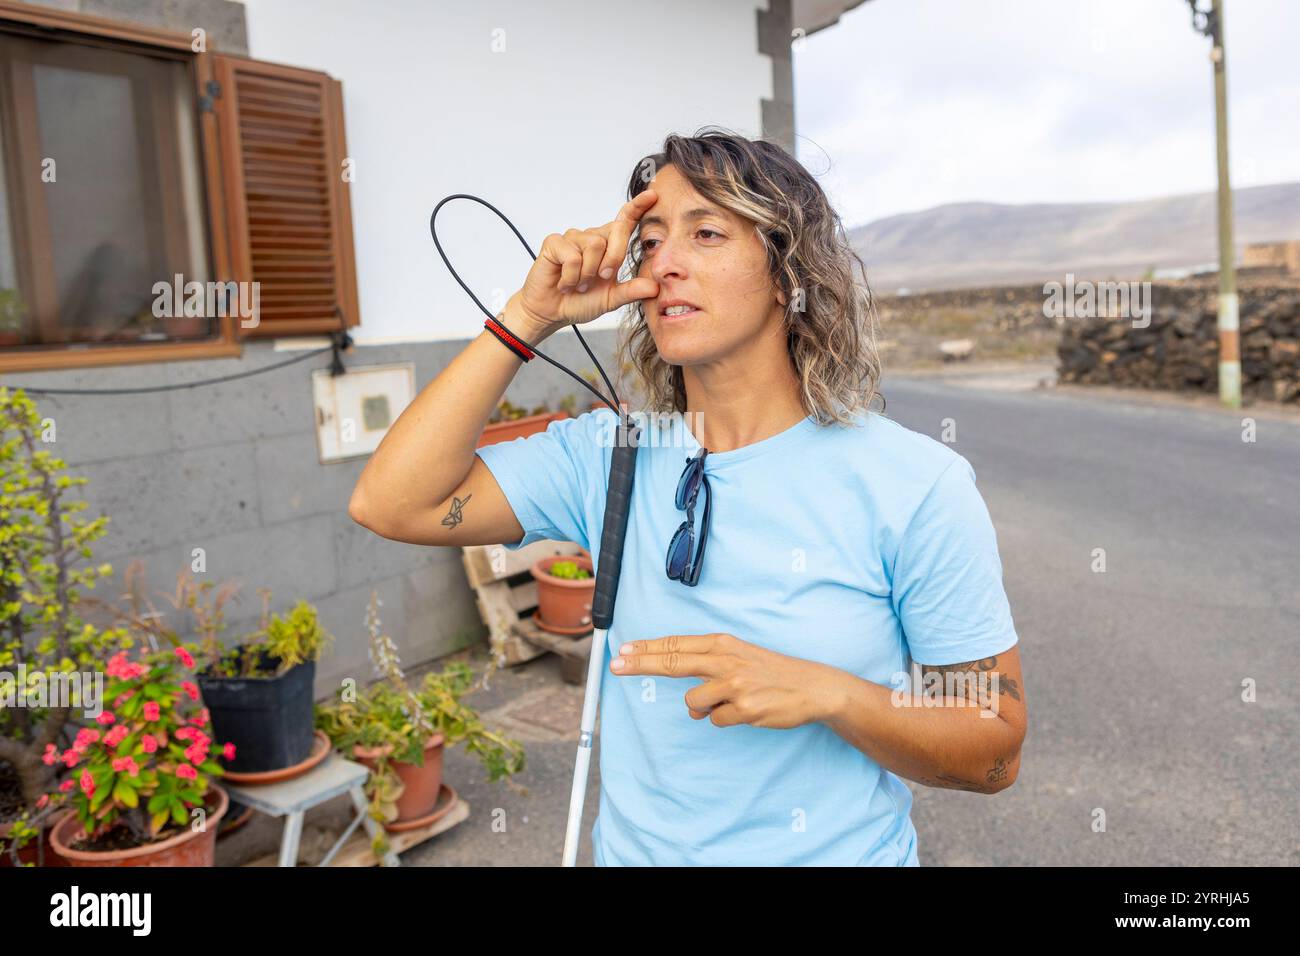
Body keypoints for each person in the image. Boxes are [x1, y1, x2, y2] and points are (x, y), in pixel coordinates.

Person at [349, 127, 1027, 866]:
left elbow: (993, 754)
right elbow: (391, 504)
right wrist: (528, 316)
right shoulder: (608, 457)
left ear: (786, 274)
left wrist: (832, 694)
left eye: (706, 233)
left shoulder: (915, 485)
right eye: (648, 243)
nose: (664, 263)